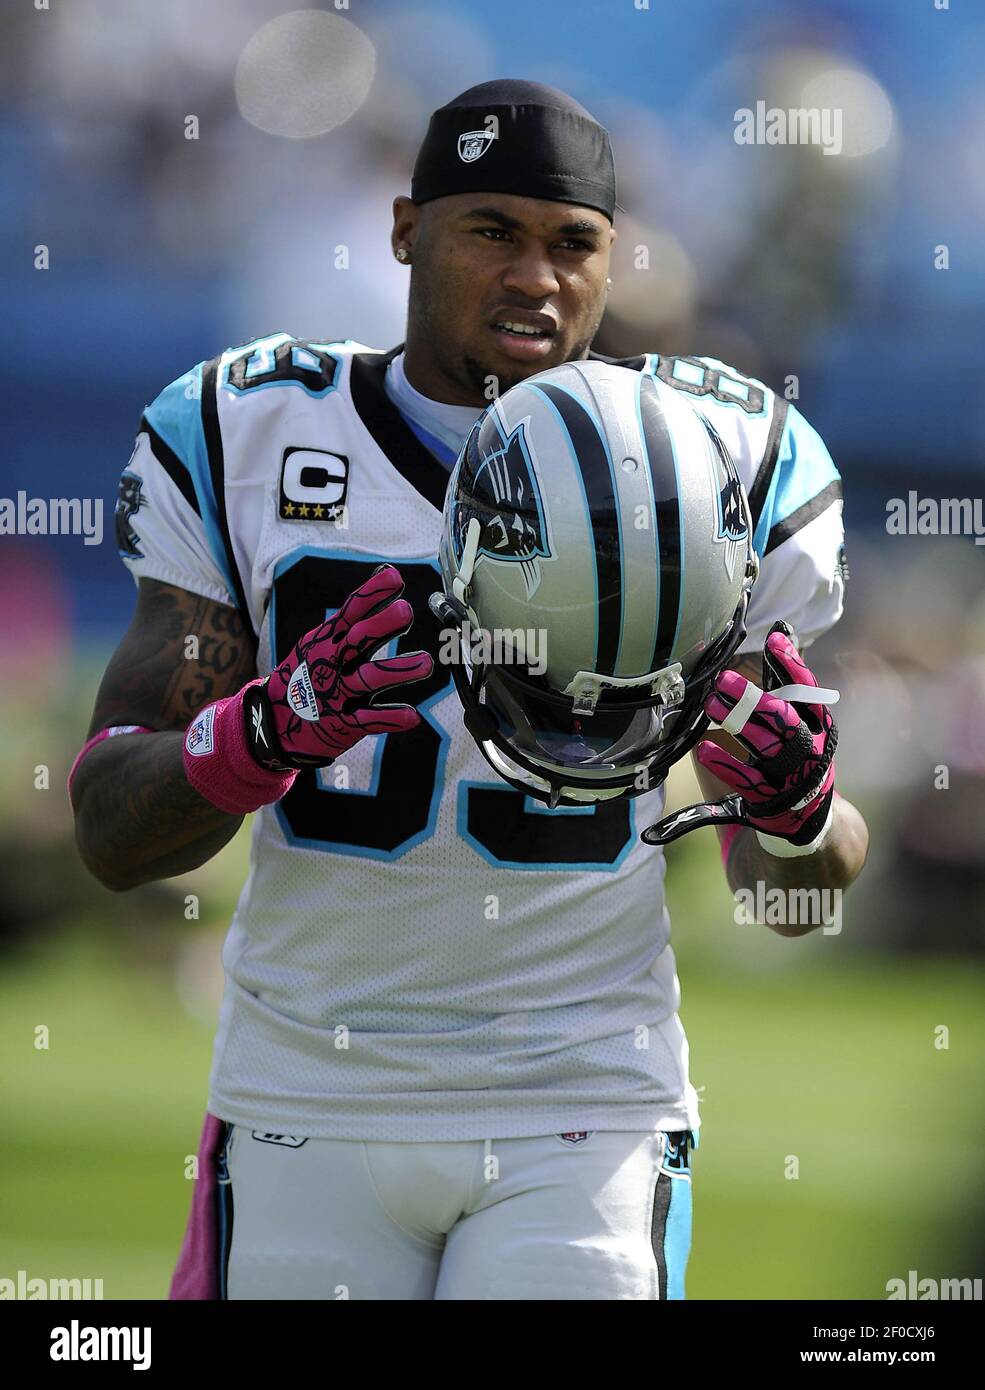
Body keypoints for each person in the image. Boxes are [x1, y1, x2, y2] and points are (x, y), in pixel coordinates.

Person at [70, 79, 868, 1301]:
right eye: (490, 231)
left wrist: (801, 812)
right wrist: (264, 731)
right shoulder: (248, 428)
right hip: (303, 1092)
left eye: (571, 243)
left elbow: (790, 901)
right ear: (405, 230)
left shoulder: (721, 461)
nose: (534, 279)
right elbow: (112, 834)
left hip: (585, 1103)